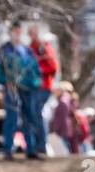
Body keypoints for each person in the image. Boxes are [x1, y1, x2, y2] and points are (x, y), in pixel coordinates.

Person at [0, 21, 44, 160]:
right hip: (12, 88)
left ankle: (31, 149)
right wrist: (4, 81)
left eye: (19, 30)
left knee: (29, 117)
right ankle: (8, 150)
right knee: (12, 118)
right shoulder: (3, 50)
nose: (17, 33)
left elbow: (35, 69)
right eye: (15, 30)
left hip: (28, 89)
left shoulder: (27, 50)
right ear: (10, 32)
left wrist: (35, 82)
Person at [28, 23, 59, 159]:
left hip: (43, 87)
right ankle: (36, 145)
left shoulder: (43, 47)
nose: (32, 35)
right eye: (31, 32)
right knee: (34, 115)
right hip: (33, 88)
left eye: (34, 32)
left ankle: (41, 145)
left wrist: (40, 71)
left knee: (37, 114)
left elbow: (53, 67)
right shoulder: (30, 48)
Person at [51, 81, 89, 154]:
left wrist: (56, 128)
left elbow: (62, 118)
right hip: (71, 128)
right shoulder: (70, 100)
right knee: (73, 148)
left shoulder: (63, 101)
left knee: (68, 150)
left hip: (67, 128)